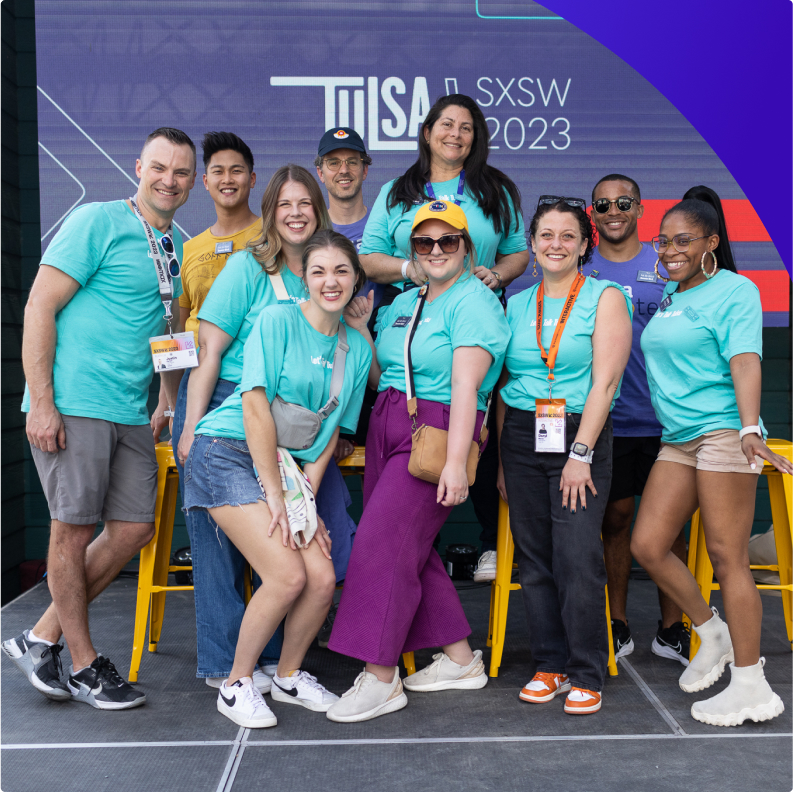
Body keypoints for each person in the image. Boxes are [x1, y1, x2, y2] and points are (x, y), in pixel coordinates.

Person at [2, 128, 196, 710]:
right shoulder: (97, 220)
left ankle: (40, 637)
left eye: (182, 172)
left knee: (135, 529)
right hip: (76, 402)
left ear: (191, 184)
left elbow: (171, 332)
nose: (169, 179)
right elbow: (40, 304)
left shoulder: (170, 248)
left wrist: (167, 397)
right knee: (73, 531)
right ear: (138, 166)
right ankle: (84, 665)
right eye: (159, 167)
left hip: (132, 411)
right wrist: (41, 400)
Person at [326, 200, 511, 723]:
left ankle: (381, 678)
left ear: (466, 246)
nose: (435, 251)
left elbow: (465, 386)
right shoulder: (407, 300)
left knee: (381, 546)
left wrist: (457, 462)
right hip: (390, 420)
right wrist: (363, 329)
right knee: (412, 547)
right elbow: (387, 371)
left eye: (447, 241)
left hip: (436, 430)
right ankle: (459, 659)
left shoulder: (474, 302)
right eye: (424, 243)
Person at [183, 230, 372, 728]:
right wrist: (277, 498)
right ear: (303, 279)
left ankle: (288, 674)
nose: (330, 282)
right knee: (288, 575)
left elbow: (328, 433)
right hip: (226, 452)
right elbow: (253, 407)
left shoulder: (357, 349)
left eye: (341, 271)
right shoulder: (276, 319)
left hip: (287, 468)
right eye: (318, 272)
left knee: (322, 578)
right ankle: (236, 684)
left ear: (356, 279)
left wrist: (303, 497)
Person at [630, 188, 791, 726]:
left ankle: (751, 684)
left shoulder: (735, 290)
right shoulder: (676, 295)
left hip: (723, 431)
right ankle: (711, 629)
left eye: (683, 240)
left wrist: (749, 427)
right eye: (663, 240)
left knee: (727, 556)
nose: (670, 249)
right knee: (648, 544)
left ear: (711, 243)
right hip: (678, 437)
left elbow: (745, 360)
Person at [173, 164, 334, 691]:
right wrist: (190, 425)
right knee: (220, 551)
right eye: (285, 204)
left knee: (276, 547)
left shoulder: (323, 274)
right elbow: (210, 351)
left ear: (318, 210)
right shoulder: (248, 268)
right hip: (225, 407)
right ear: (270, 212)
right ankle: (226, 669)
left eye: (305, 204)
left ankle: (268, 662)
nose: (295, 214)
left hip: (284, 426)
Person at [358, 93, 529, 584]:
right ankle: (413, 550)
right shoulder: (397, 190)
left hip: (473, 323)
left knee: (479, 428)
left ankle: (491, 543)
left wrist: (496, 275)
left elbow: (519, 253)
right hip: (412, 329)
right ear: (427, 131)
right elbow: (368, 257)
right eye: (446, 124)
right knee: (405, 438)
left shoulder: (494, 189)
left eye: (467, 127)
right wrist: (412, 269)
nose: (456, 134)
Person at [497, 196, 632, 715]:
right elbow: (507, 383)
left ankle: (586, 670)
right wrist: (507, 461)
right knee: (534, 559)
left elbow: (606, 382)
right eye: (547, 235)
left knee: (577, 556)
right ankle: (549, 664)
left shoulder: (607, 298)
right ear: (532, 245)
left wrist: (581, 452)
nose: (556, 244)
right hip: (523, 437)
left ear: (583, 245)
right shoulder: (513, 305)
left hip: (582, 435)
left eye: (568, 236)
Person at [585, 174, 689, 665]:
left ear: (640, 208)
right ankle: (617, 622)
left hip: (670, 420)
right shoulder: (582, 266)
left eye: (623, 202)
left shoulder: (666, 263)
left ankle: (674, 630)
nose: (613, 210)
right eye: (603, 204)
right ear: (593, 212)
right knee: (616, 520)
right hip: (612, 420)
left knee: (674, 529)